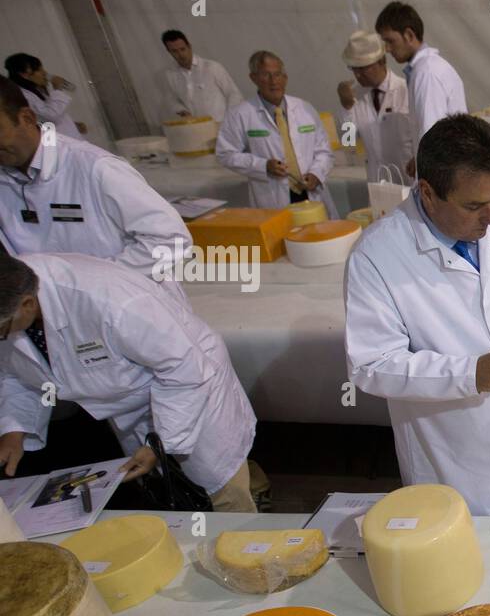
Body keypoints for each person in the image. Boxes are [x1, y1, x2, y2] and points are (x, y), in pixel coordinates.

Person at [344, 114, 490, 516]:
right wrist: (468, 373)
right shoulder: (377, 256)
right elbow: (372, 364)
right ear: (428, 192)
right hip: (462, 468)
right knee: (479, 568)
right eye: (474, 205)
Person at [0, 253, 258, 512]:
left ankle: (250, 542)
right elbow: (17, 373)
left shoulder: (111, 300)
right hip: (127, 400)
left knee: (221, 489)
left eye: (2, 330)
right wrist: (15, 430)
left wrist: (162, 444)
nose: (3, 336)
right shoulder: (9, 300)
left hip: (193, 384)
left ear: (28, 304)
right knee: (167, 490)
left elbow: (184, 367)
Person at [0, 77, 191, 289]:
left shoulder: (94, 167)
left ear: (26, 117)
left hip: (126, 306)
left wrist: (89, 285)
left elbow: (170, 240)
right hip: (51, 310)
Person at [216, 51, 336, 217]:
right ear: (253, 78)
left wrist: (317, 173)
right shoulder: (240, 114)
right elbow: (225, 154)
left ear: (285, 77)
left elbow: (325, 150)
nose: (274, 81)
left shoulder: (305, 108)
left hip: (315, 190)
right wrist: (262, 166)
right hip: (273, 196)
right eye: (266, 75)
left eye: (277, 74)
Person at [375, 0, 467, 150]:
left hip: (440, 167)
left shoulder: (426, 73)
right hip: (442, 163)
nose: (387, 49)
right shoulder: (426, 68)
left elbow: (431, 133)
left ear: (409, 35)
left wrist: (424, 163)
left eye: (390, 41)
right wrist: (417, 158)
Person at [337, 30, 414, 184]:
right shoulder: (355, 97)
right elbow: (348, 142)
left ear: (382, 61)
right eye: (353, 68)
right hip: (378, 185)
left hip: (410, 182)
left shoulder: (406, 91)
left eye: (363, 68)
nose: (358, 75)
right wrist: (347, 108)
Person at [159, 30, 242, 123]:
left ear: (189, 46)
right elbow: (172, 100)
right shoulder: (170, 74)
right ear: (168, 51)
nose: (180, 55)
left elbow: (234, 94)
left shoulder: (211, 67)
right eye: (174, 51)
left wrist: (229, 119)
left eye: (182, 49)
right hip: (195, 128)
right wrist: (183, 111)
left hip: (222, 125)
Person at [4, 53, 85, 140]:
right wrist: (57, 89)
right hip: (57, 144)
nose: (45, 73)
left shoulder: (35, 91)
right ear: (25, 74)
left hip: (67, 139)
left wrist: (72, 124)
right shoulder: (23, 96)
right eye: (39, 70)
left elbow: (48, 114)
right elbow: (50, 116)